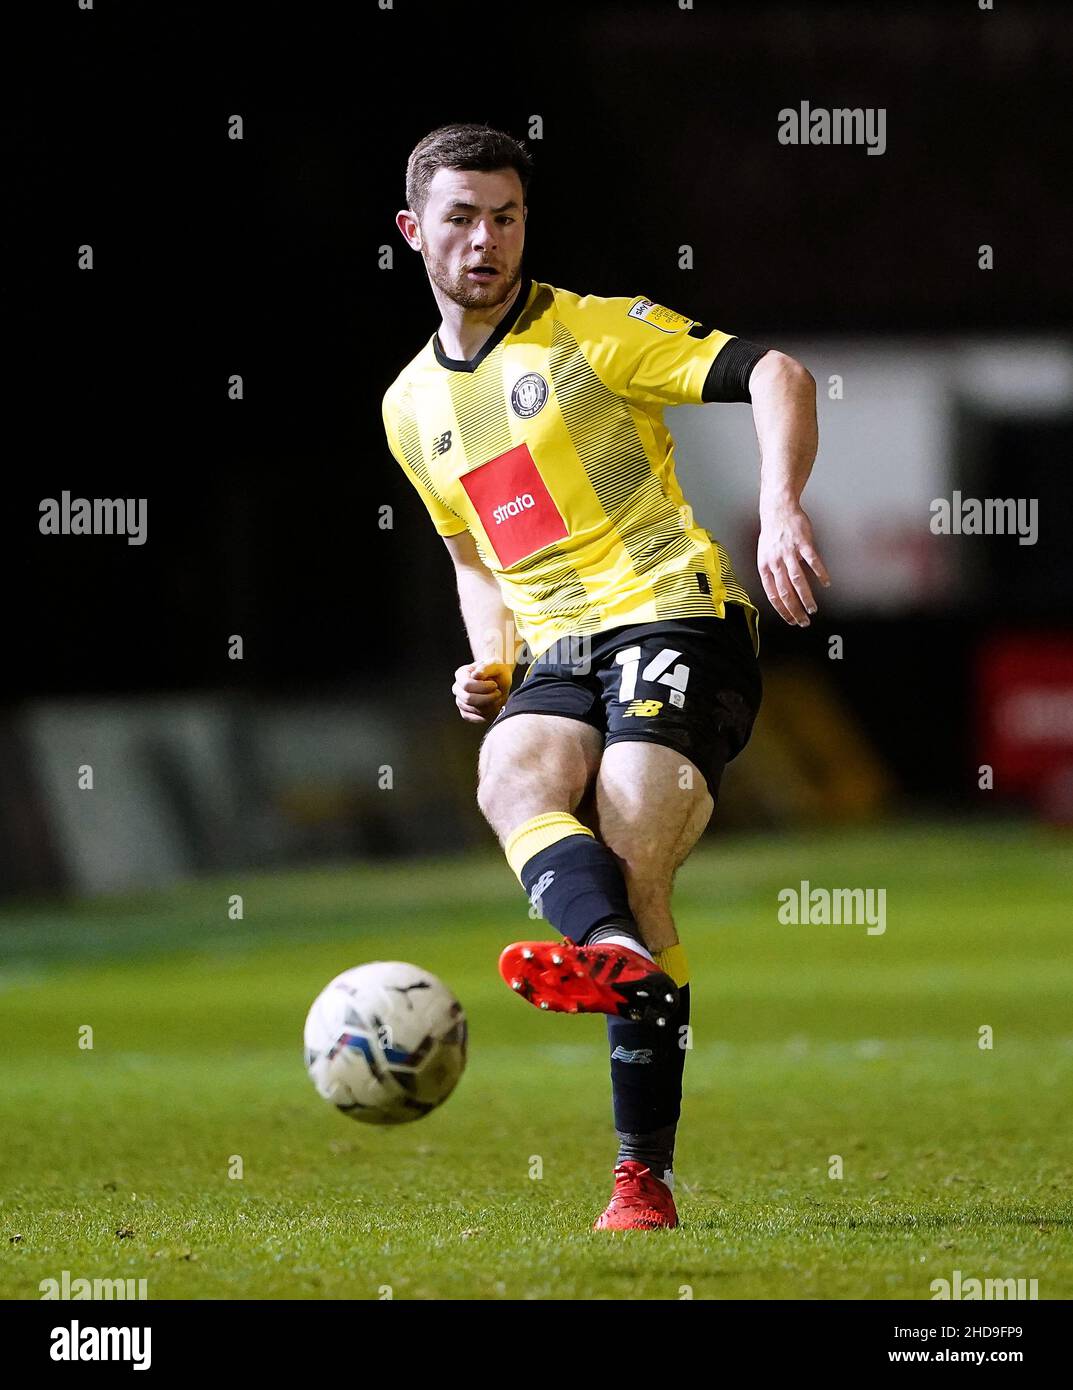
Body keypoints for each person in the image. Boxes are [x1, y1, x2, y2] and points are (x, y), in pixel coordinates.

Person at [382, 122, 830, 1230]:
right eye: (460, 217)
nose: (485, 239)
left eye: (505, 216)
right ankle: (610, 949)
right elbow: (472, 560)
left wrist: (777, 507)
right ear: (411, 232)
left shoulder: (594, 332)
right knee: (508, 770)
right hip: (557, 650)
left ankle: (641, 1175)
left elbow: (775, 372)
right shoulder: (407, 409)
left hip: (677, 612)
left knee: (632, 819)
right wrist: (489, 661)